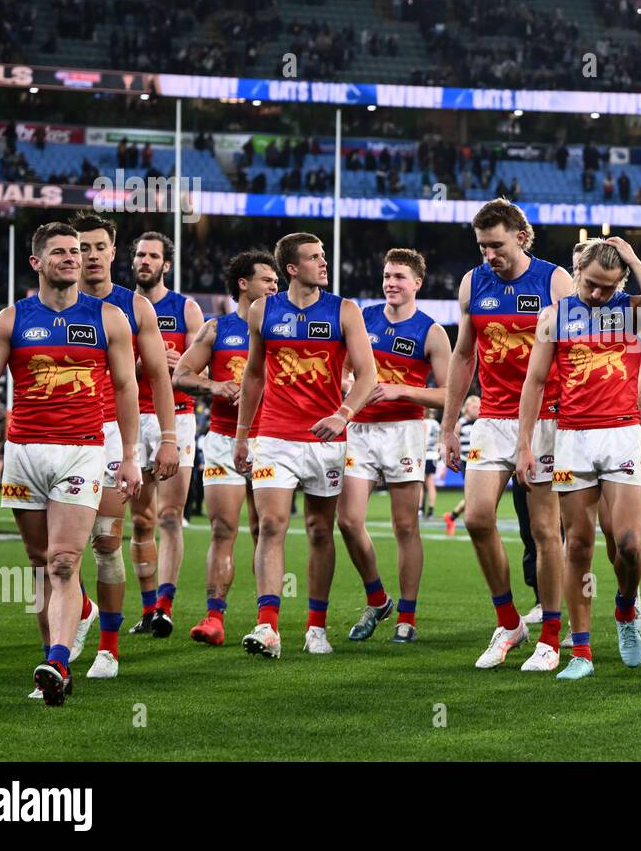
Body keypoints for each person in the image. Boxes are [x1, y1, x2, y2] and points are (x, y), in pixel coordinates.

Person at [0, 222, 143, 705]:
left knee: (65, 561)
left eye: (77, 251)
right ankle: (51, 665)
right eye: (60, 252)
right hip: (23, 453)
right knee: (40, 566)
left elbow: (127, 389)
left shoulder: (109, 319)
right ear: (36, 263)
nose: (72, 257)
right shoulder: (10, 318)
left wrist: (129, 455)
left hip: (82, 449)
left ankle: (59, 659)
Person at [515, 238, 641, 678]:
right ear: (577, 271)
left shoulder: (631, 310)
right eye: (592, 284)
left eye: (608, 287)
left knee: (629, 544)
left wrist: (634, 259)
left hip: (622, 433)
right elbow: (536, 381)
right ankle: (581, 652)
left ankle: (624, 605)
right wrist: (525, 443)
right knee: (576, 545)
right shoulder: (554, 317)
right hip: (573, 436)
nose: (598, 294)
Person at [439, 199, 574, 670]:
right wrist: (449, 426)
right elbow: (462, 357)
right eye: (482, 246)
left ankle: (552, 636)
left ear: (520, 236)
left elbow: (577, 351)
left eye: (496, 245)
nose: (489, 255)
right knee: (476, 518)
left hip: (547, 418)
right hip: (493, 417)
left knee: (543, 530)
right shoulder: (473, 283)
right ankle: (510, 622)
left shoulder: (555, 280)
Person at [233, 233, 379, 657]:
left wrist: (343, 414)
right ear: (291, 269)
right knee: (272, 524)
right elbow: (254, 375)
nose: (324, 263)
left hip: (326, 438)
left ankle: (317, 626)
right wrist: (244, 434)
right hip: (275, 436)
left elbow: (367, 376)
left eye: (324, 256)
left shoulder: (345, 310)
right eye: (314, 257)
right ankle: (268, 626)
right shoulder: (263, 310)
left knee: (319, 529)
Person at [71, 213, 178, 677]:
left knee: (106, 540)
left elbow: (158, 376)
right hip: (61, 437)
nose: (91, 256)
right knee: (57, 552)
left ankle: (108, 649)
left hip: (115, 435)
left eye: (99, 247)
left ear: (114, 253)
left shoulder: (134, 307)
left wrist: (169, 438)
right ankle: (76, 613)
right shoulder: (49, 306)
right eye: (82, 248)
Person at [338, 248, 450, 645]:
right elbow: (344, 371)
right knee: (348, 521)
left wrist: (400, 389)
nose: (391, 283)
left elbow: (451, 393)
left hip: (405, 430)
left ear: (417, 283)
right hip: (361, 431)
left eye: (400, 277)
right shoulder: (363, 318)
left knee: (406, 526)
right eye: (387, 276)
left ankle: (407, 615)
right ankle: (378, 598)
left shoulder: (431, 331)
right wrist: (351, 386)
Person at [171, 251, 279, 645]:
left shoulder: (284, 327)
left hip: (271, 439)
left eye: (276, 280)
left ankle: (266, 621)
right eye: (267, 279)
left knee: (266, 529)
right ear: (243, 284)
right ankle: (214, 618)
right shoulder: (217, 329)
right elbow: (181, 375)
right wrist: (213, 386)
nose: (274, 285)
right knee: (222, 529)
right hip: (221, 438)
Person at [126, 231, 205, 637]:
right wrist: (146, 366)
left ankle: (165, 607)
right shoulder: (121, 308)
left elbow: (200, 372)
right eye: (140, 255)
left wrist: (176, 369)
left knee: (172, 516)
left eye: (153, 256)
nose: (145, 261)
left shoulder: (186, 309)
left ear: (166, 264)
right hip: (131, 417)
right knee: (141, 520)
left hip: (177, 416)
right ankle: (146, 606)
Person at [441, 395, 480, 535]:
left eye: (478, 406)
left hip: (479, 461)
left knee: (476, 495)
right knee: (475, 494)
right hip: (465, 461)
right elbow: (453, 440)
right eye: (474, 406)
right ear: (467, 408)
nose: (477, 409)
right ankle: (458, 517)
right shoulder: (460, 423)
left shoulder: (480, 423)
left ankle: (452, 516)